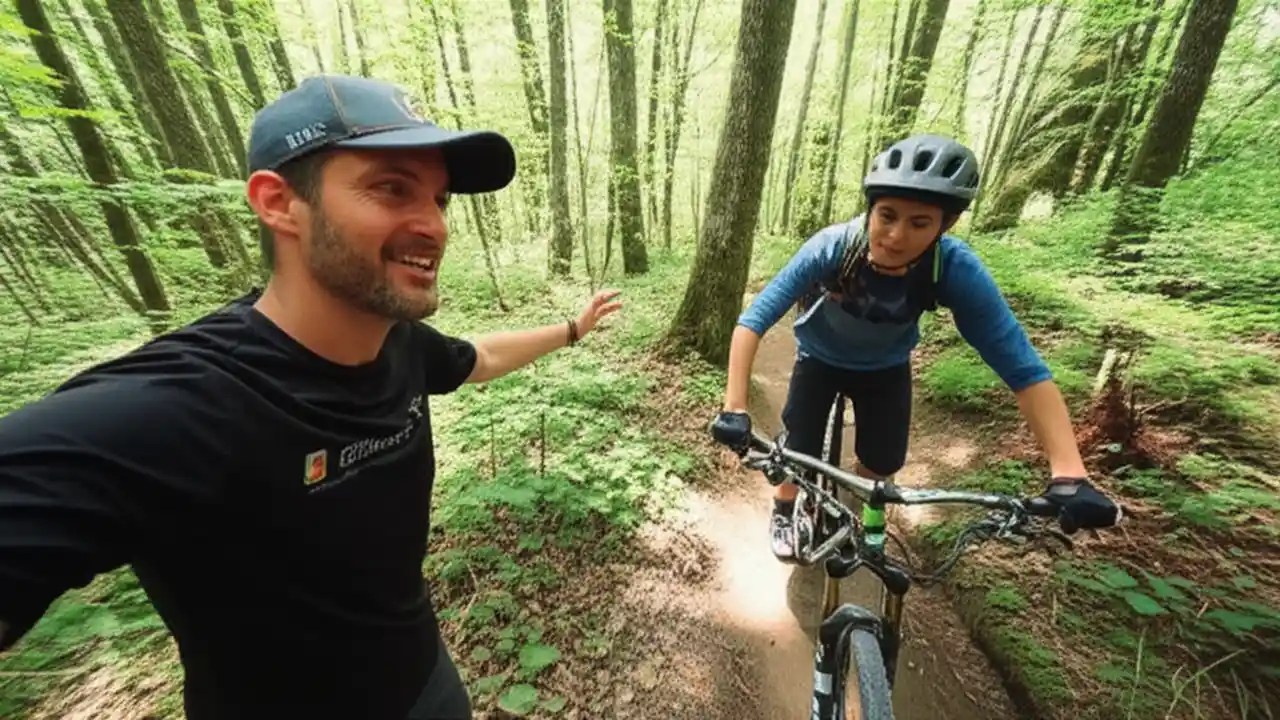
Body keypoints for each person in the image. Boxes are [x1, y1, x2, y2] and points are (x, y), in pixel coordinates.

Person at [0, 74, 620, 720]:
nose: (434, 225)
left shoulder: (400, 344)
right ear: (277, 202)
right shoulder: (182, 404)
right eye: (391, 187)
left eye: (438, 199)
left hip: (428, 685)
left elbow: (479, 357)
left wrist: (573, 329)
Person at [710, 134, 1121, 560]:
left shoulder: (953, 268)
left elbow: (1024, 369)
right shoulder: (831, 247)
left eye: (919, 223)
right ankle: (783, 507)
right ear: (871, 207)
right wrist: (735, 408)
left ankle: (861, 513)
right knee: (796, 450)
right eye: (886, 215)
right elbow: (753, 321)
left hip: (886, 369)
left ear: (946, 225)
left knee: (881, 468)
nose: (895, 235)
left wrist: (1069, 472)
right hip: (819, 359)